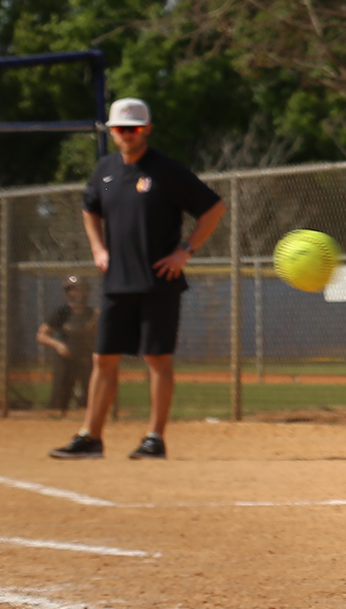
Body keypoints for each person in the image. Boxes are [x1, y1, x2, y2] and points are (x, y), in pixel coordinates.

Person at [50, 99, 225, 460]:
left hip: (159, 281)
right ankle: (91, 436)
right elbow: (89, 209)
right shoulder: (106, 170)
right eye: (120, 129)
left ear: (146, 130)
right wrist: (99, 249)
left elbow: (213, 208)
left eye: (134, 128)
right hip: (117, 281)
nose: (127, 134)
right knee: (103, 359)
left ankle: (154, 438)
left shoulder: (167, 170)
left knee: (157, 358)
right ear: (112, 132)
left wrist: (185, 251)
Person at [36, 275, 97, 416]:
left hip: (86, 358)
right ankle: (60, 415)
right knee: (61, 395)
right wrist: (58, 345)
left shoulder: (92, 314)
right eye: (73, 290)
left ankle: (86, 416)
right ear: (68, 292)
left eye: (82, 290)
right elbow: (41, 335)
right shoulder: (63, 312)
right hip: (66, 358)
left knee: (91, 392)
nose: (77, 294)